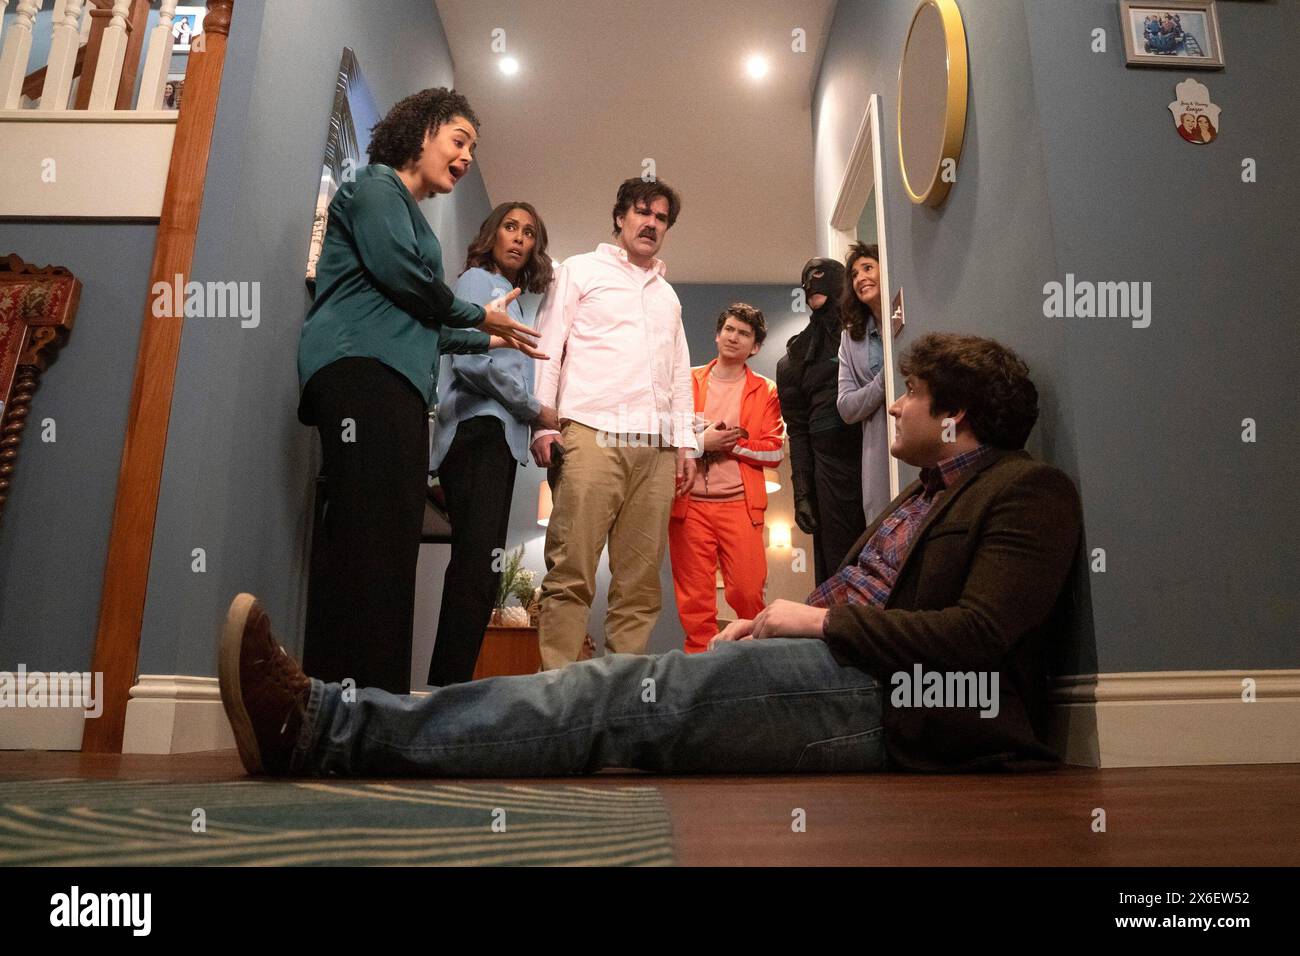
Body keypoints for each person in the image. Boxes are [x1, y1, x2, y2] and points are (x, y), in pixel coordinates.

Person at [219, 332, 1083, 777]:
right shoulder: (924, 493)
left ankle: (328, 726)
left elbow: (975, 638)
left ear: (958, 414)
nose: (895, 408)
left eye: (915, 395)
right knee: (630, 694)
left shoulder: (1025, 491)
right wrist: (794, 628)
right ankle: (338, 721)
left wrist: (812, 622)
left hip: (889, 706)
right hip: (833, 665)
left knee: (621, 691)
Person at [296, 88, 543, 695]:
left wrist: (491, 340)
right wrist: (481, 318)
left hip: (396, 381)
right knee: (369, 535)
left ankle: (368, 699)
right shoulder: (377, 187)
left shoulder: (411, 211)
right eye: (458, 141)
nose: (464, 159)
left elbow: (427, 322)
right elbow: (401, 276)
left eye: (471, 150)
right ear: (423, 131)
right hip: (360, 370)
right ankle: (352, 699)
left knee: (383, 536)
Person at [527, 177, 698, 670]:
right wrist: (543, 424)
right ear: (620, 217)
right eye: (642, 212)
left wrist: (685, 444)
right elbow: (548, 344)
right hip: (590, 433)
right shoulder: (579, 270)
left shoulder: (667, 296)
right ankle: (555, 693)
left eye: (661, 217)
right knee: (571, 572)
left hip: (657, 449)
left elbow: (679, 374)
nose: (651, 223)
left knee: (640, 586)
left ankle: (622, 700)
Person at [426, 203, 558, 686]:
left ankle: (449, 687)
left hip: (494, 438)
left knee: (478, 569)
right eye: (510, 227)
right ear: (491, 234)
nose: (519, 238)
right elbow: (470, 361)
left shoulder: (516, 298)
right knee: (475, 569)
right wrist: (535, 410)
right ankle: (445, 691)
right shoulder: (479, 281)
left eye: (529, 232)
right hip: (476, 433)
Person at [669, 304, 785, 654]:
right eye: (730, 330)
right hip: (689, 506)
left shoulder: (766, 390)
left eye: (744, 334)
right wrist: (702, 442)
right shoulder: (687, 380)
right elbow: (670, 431)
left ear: (755, 347)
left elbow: (774, 450)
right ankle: (701, 676)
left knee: (748, 593)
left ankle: (753, 667)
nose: (734, 337)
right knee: (694, 602)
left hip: (740, 505)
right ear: (718, 335)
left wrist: (728, 443)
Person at [776, 257, 866, 584]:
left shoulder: (867, 334)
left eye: (821, 279)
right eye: (807, 282)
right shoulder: (794, 358)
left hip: (871, 447)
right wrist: (802, 492)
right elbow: (797, 431)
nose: (813, 287)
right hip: (827, 465)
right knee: (840, 561)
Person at [837, 243, 891, 527]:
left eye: (868, 268)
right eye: (854, 275)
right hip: (877, 447)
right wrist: (886, 379)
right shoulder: (850, 338)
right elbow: (846, 407)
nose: (860, 278)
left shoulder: (910, 315)